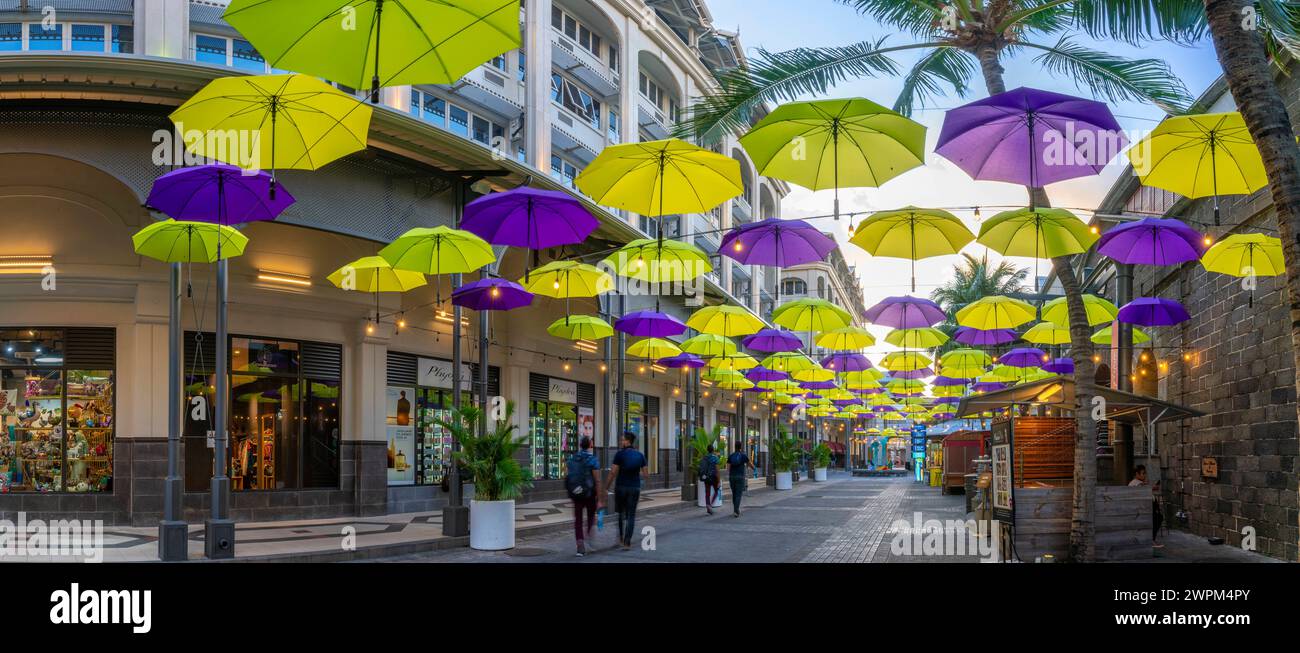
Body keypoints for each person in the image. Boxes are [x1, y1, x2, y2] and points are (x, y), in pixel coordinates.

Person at [605, 432, 648, 551]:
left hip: (621, 487)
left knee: (621, 513)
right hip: (634, 488)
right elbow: (645, 474)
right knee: (631, 515)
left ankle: (620, 537)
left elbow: (613, 472)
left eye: (622, 440)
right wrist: (636, 476)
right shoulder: (640, 455)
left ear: (628, 441)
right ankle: (627, 542)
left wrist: (606, 487)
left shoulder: (619, 455)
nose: (620, 442)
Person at [564, 436, 602, 557]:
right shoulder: (592, 459)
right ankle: (588, 535)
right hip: (589, 494)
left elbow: (567, 474)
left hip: (576, 493)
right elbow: (597, 480)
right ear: (590, 445)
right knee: (591, 516)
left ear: (580, 445)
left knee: (578, 520)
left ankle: (580, 544)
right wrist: (600, 497)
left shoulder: (573, 458)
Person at [727, 442, 755, 517]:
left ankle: (735, 510)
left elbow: (728, 468)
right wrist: (754, 468)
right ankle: (736, 511)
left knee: (734, 493)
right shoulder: (743, 456)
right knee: (738, 494)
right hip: (740, 477)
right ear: (741, 447)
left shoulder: (731, 456)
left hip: (732, 477)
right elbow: (750, 464)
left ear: (734, 446)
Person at [699, 444, 721, 515]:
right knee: (716, 491)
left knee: (707, 493)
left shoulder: (704, 457)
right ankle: (710, 504)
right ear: (713, 450)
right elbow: (717, 470)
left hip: (706, 477)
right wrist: (719, 481)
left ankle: (708, 505)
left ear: (707, 450)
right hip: (714, 477)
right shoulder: (715, 458)